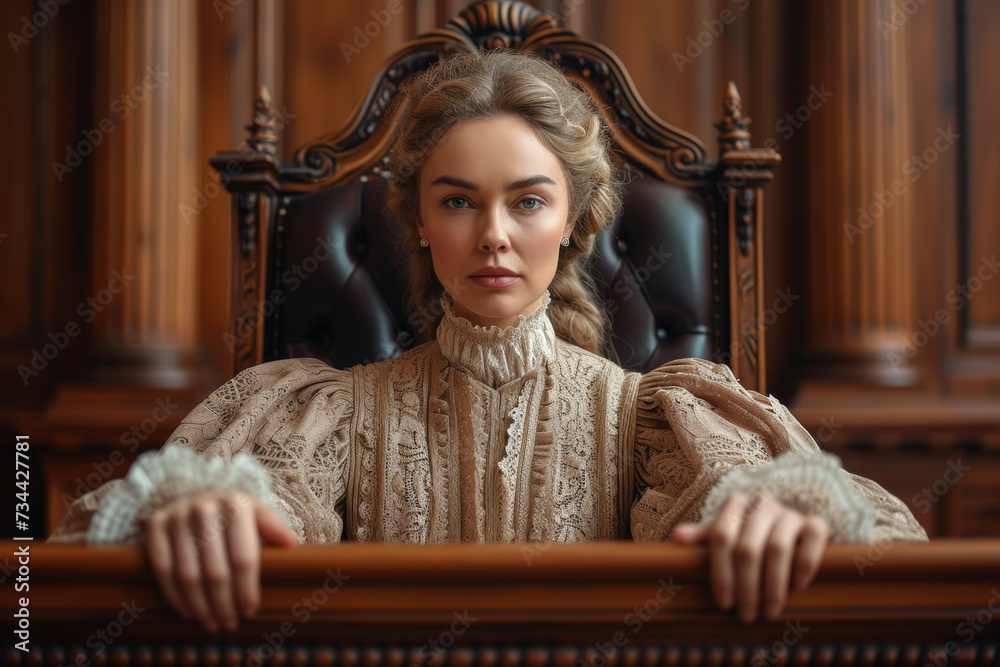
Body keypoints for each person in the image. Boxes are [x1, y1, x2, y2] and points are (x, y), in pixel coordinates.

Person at [50, 48, 927, 633]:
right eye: (459, 200)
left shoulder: (654, 416)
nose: (494, 234)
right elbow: (52, 571)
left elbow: (901, 552)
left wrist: (792, 515)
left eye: (529, 200)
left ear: (575, 220)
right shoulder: (326, 410)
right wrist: (194, 514)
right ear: (422, 223)